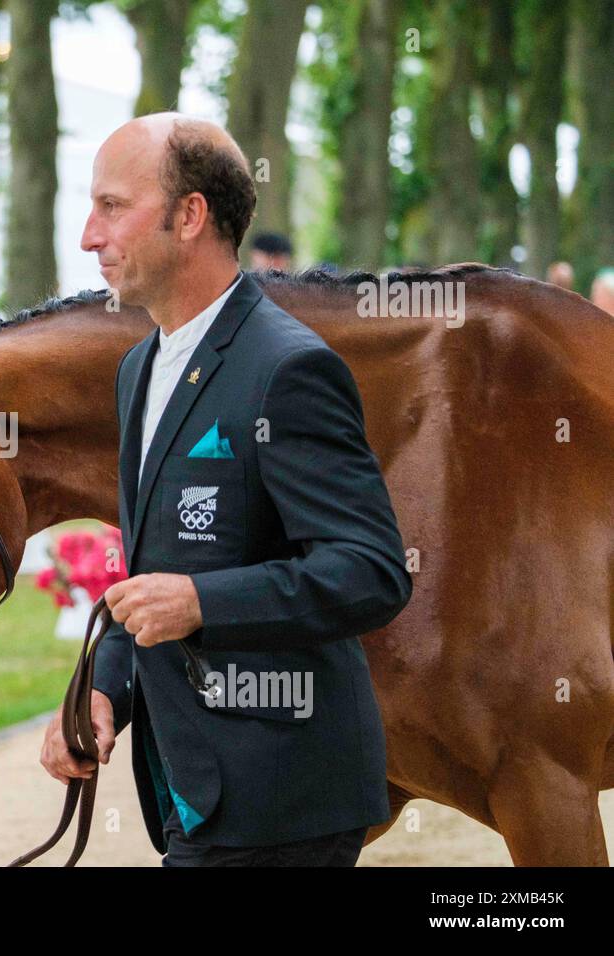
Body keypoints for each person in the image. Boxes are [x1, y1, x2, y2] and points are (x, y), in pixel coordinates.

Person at [52, 113, 412, 867]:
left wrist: (202, 603)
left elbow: (372, 570)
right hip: (190, 788)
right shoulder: (137, 370)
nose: (90, 235)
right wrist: (104, 691)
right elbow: (150, 562)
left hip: (282, 798)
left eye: (113, 206)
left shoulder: (288, 371)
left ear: (191, 216)